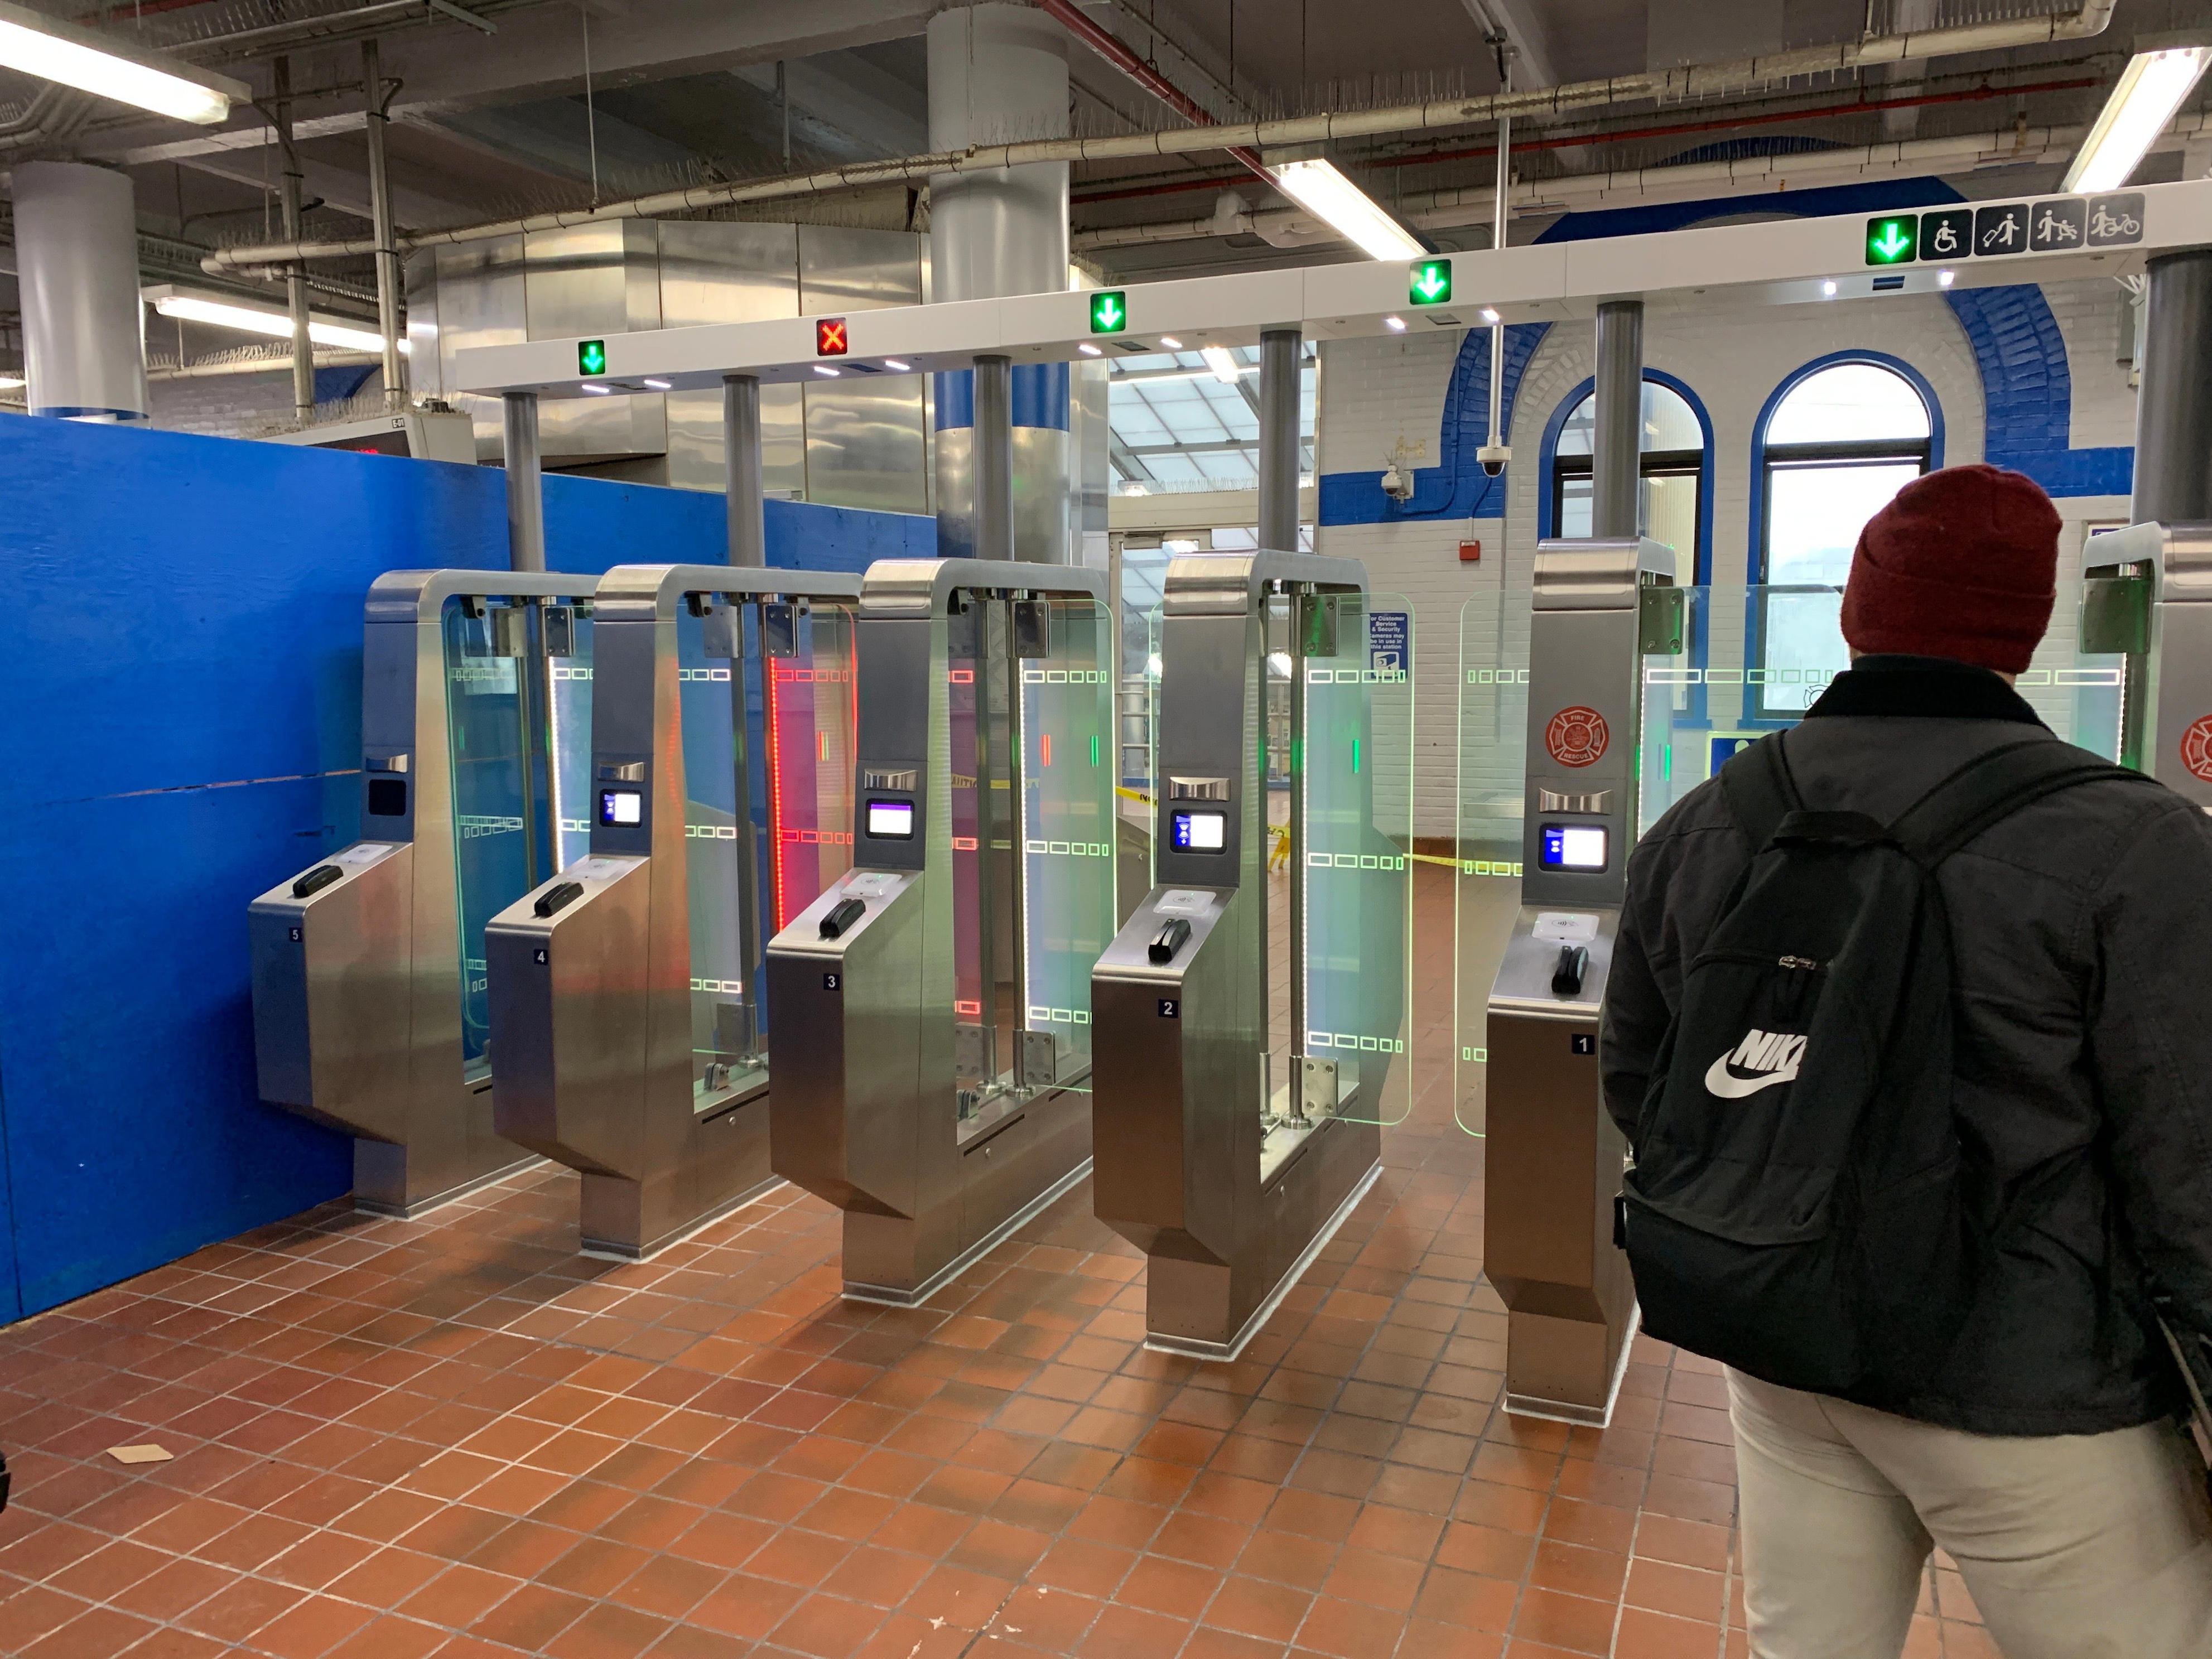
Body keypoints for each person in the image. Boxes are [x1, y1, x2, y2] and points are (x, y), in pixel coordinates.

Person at [1601, 463, 2212, 1659]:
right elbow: (2191, 1160)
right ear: (2027, 633)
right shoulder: (2137, 841)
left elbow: (1641, 1074)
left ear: (1855, 613)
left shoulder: (1710, 815)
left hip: (1785, 1353)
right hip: (2032, 1391)